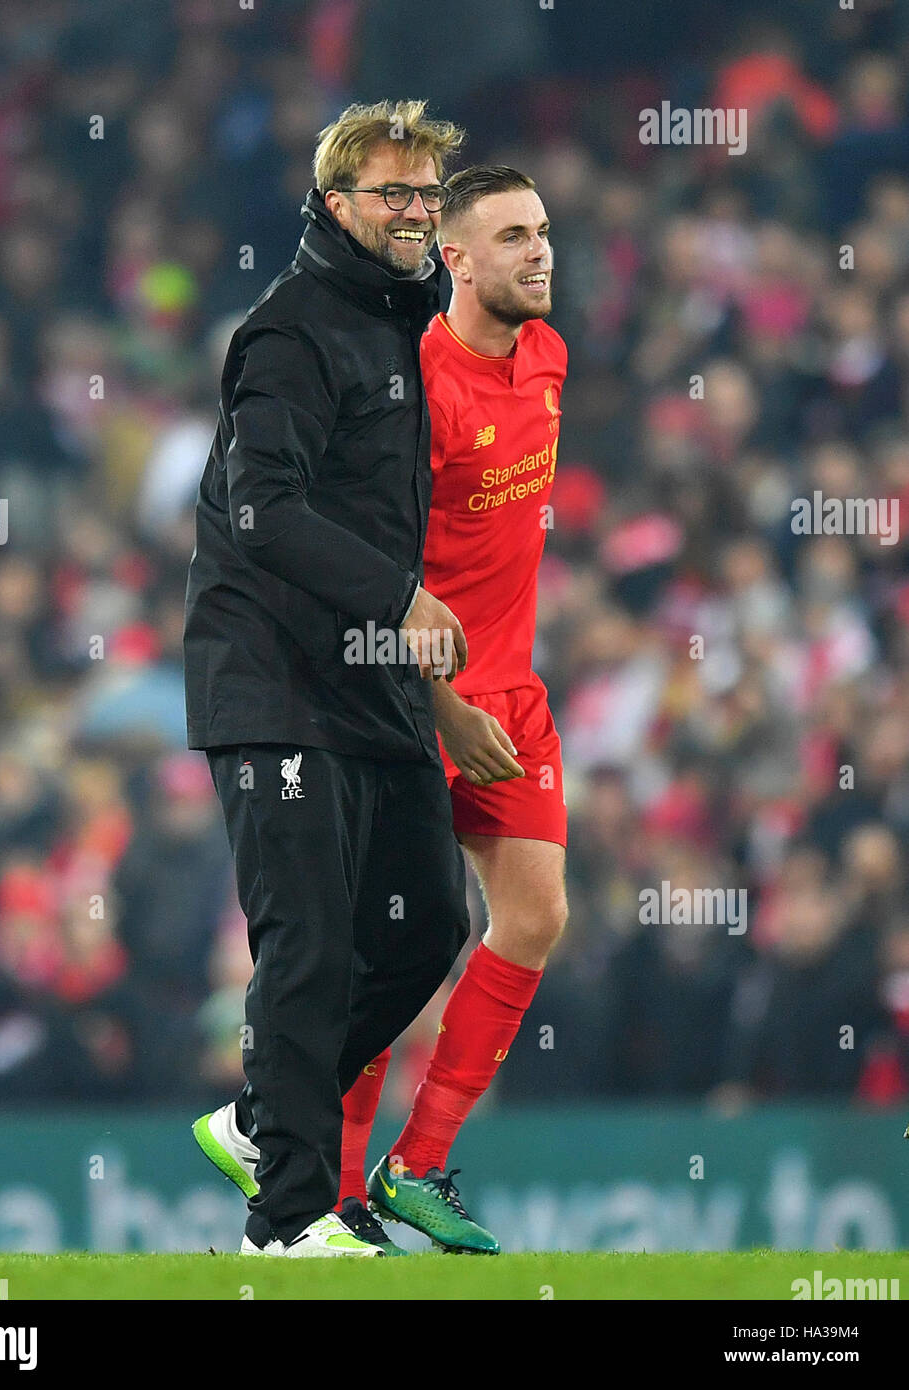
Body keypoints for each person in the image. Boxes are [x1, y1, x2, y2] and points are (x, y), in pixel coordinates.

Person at [184, 101, 474, 1257]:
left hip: (368, 685)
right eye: (390, 193)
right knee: (305, 937)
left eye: (426, 195)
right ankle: (288, 1221)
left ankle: (268, 1119)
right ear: (333, 203)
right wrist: (401, 599)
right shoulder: (293, 328)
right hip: (274, 677)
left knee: (426, 922)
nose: (413, 212)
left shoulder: (414, 327)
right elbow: (263, 510)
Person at [346, 166, 571, 1253]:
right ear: (457, 260)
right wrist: (441, 707)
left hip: (514, 691)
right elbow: (383, 570)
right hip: (413, 690)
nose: (539, 253)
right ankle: (333, 1199)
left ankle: (417, 1164)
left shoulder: (550, 355)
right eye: (513, 237)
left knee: (533, 918)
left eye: (544, 232)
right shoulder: (416, 387)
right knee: (396, 937)